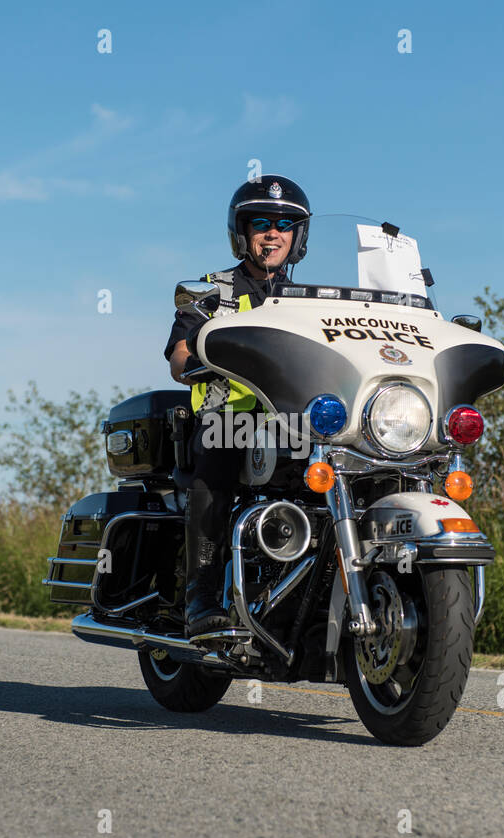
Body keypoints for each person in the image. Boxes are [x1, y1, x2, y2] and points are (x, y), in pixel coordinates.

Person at [163, 175, 312, 641]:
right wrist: (203, 360)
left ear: (297, 236)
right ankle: (201, 596)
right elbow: (179, 358)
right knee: (222, 455)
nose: (273, 232)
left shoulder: (312, 302)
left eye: (284, 224)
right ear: (242, 233)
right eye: (261, 223)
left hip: (293, 424)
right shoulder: (212, 291)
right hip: (227, 419)